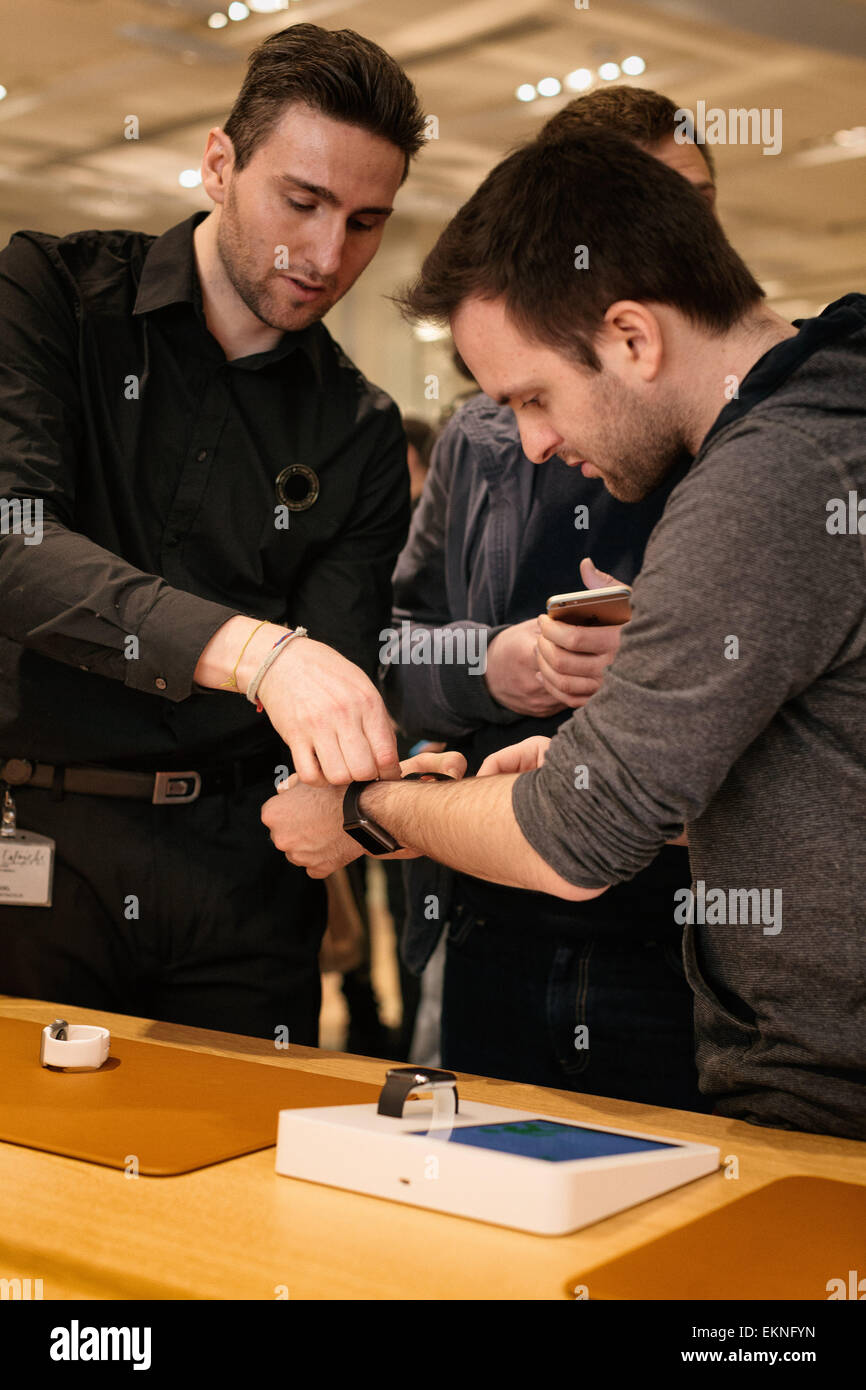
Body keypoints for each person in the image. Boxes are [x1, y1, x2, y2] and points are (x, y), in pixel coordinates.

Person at [263, 129, 866, 1140]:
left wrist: (372, 810)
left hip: (821, 1095)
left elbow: (576, 841)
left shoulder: (764, 481)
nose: (535, 442)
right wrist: (593, 767)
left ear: (631, 335)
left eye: (535, 397)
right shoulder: (827, 411)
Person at [0, 23, 426, 1041]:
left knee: (239, 1177)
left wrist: (376, 786)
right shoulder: (48, 298)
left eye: (367, 220)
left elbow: (337, 675)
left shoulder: (360, 428)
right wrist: (258, 654)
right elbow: (14, 543)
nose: (328, 256)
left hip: (245, 872)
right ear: (219, 164)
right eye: (304, 202)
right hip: (38, 843)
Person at [380, 88, 718, 1109]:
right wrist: (495, 664)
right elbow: (392, 653)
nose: (678, 248)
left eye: (692, 208)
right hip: (496, 915)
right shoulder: (482, 444)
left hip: (699, 943)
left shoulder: (751, 447)